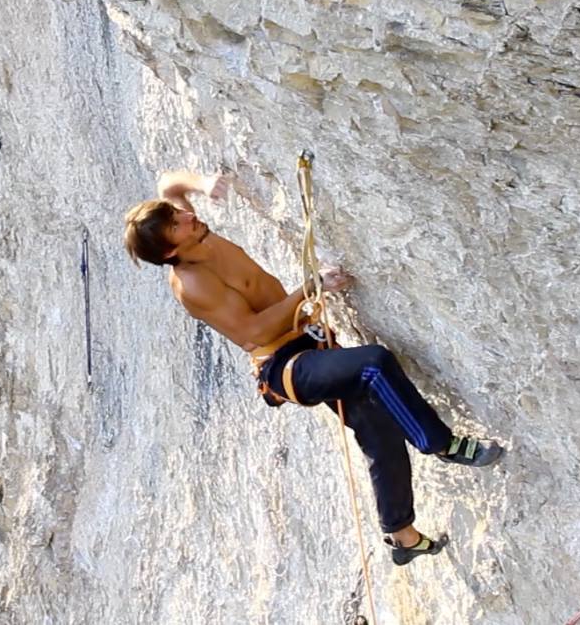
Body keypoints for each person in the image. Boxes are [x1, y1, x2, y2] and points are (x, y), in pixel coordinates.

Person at [123, 170, 503, 565]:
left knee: (381, 433)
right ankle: (443, 444)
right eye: (176, 224)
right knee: (374, 364)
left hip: (309, 343)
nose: (186, 217)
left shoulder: (193, 230)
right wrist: (309, 288)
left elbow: (169, 185)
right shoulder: (193, 283)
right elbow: (254, 329)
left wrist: (202, 185)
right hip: (285, 365)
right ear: (169, 252)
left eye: (178, 214)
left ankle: (402, 536)